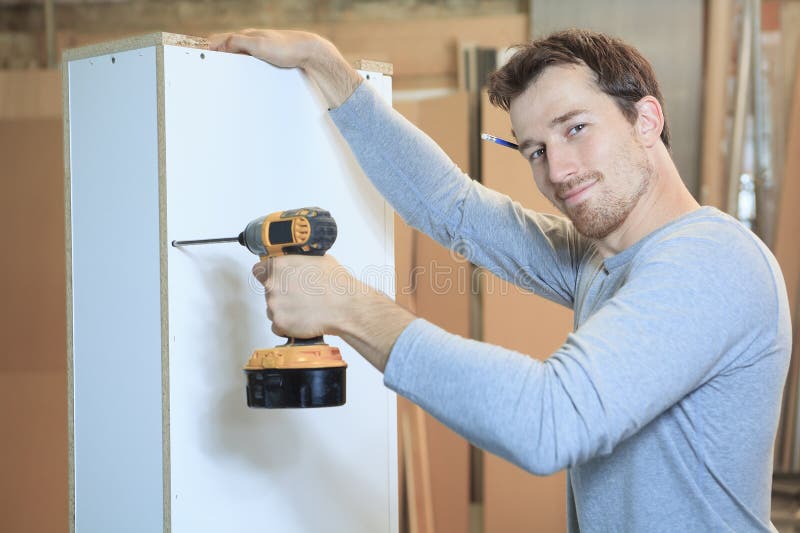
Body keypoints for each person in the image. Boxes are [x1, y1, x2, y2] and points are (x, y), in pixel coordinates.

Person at [208, 28, 791, 531]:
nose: (557, 170)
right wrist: (324, 64)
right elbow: (452, 207)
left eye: (576, 128)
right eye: (534, 150)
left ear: (646, 118)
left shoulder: (711, 261)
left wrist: (351, 307)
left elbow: (551, 420)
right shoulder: (600, 258)